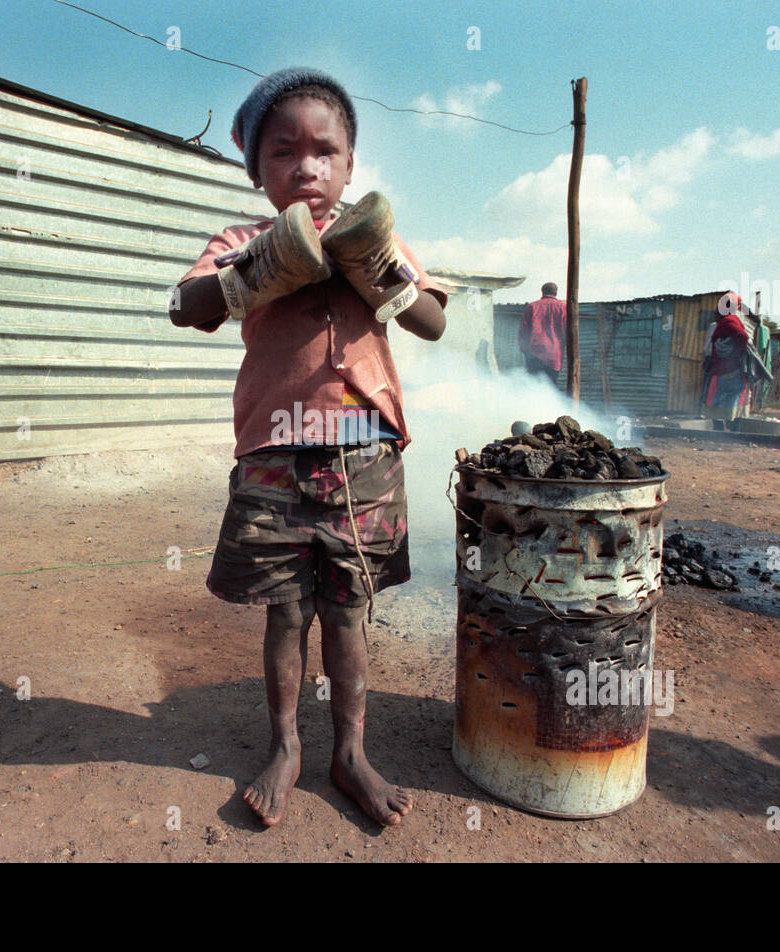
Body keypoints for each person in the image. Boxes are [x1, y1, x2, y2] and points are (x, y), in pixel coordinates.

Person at [170, 68, 447, 827]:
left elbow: (431, 321)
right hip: (274, 456)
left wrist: (375, 270)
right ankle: (287, 745)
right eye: (284, 151)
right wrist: (257, 271)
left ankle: (350, 751)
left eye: (326, 151)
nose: (307, 167)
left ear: (351, 165)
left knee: (349, 613)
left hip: (365, 456)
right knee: (287, 614)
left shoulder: (373, 236)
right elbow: (185, 308)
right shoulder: (241, 241)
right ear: (257, 170)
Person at [701, 294, 753, 429]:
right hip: (731, 368)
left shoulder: (724, 321)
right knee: (733, 398)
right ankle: (729, 430)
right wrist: (737, 353)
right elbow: (743, 336)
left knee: (718, 398)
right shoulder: (731, 320)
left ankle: (722, 429)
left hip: (722, 368)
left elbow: (710, 347)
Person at [518, 282, 567, 388]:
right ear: (555, 293)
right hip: (554, 355)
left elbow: (523, 331)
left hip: (534, 353)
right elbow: (566, 331)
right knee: (551, 388)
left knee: (534, 387)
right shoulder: (563, 308)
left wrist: (524, 350)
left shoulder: (531, 307)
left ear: (542, 291)